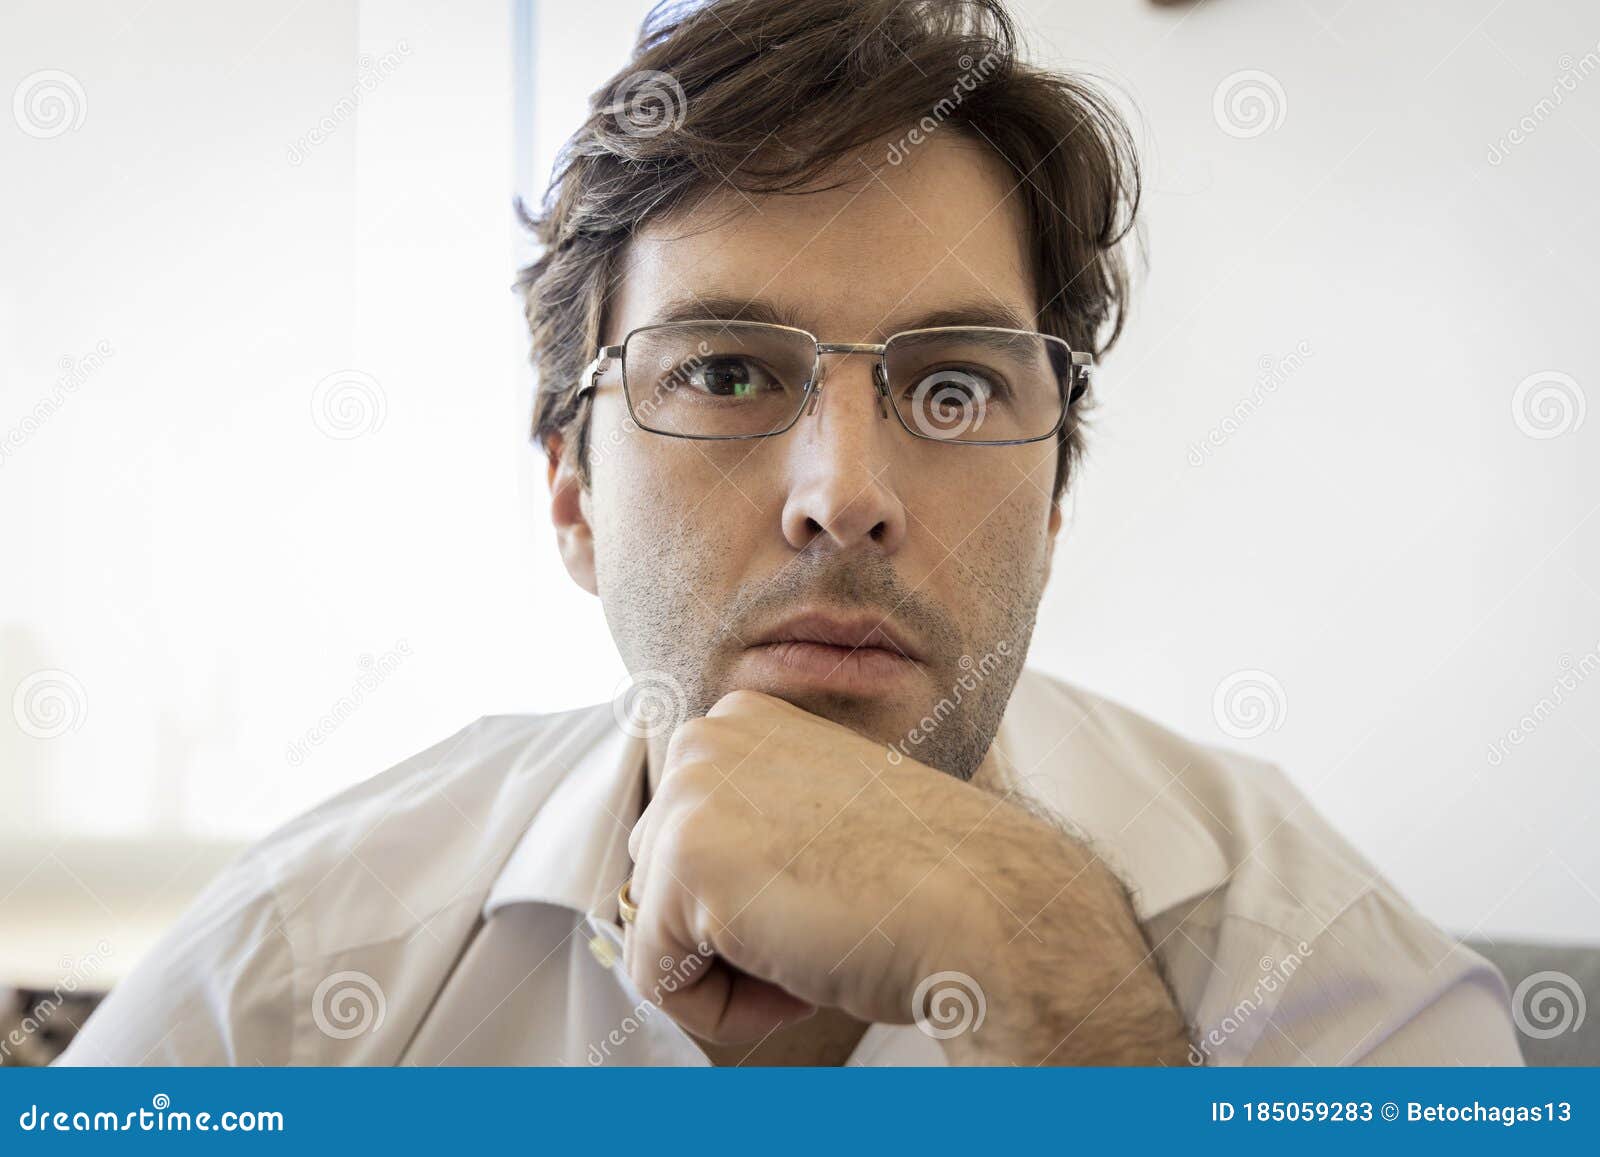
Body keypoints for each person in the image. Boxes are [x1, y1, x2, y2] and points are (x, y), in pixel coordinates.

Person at [61, 0, 1522, 1067]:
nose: (845, 490)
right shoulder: (288, 982)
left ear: (1055, 496)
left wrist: (1060, 993)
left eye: (954, 388)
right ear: (572, 493)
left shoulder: (1317, 965)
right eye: (725, 372)